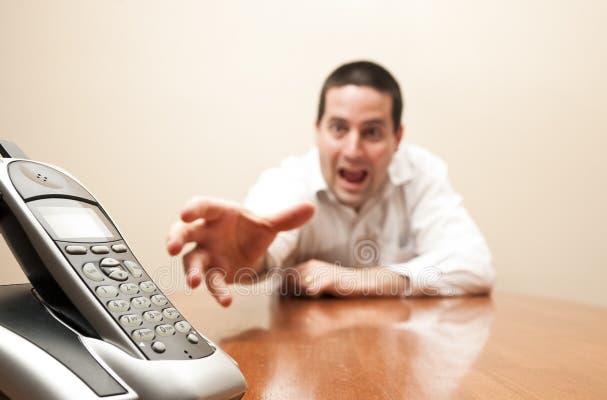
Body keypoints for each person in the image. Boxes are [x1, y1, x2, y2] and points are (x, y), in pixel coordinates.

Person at [166, 60, 495, 307]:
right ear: (318, 130)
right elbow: (262, 238)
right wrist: (247, 259)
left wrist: (359, 280)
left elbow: (475, 265)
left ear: (397, 138)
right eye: (339, 128)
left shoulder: (421, 173)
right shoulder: (291, 180)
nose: (353, 150)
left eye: (372, 132)